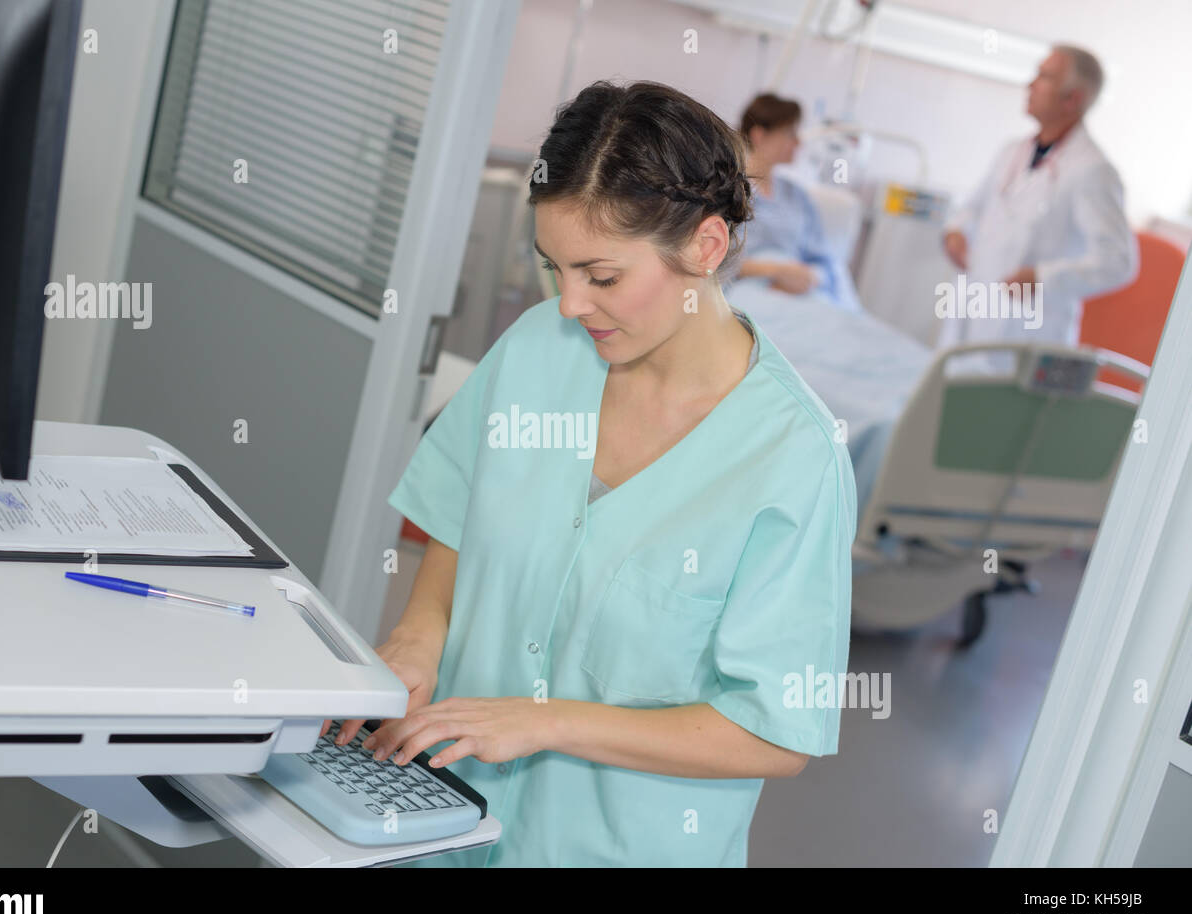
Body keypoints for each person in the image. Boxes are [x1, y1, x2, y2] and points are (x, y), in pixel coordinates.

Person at [337, 80, 855, 867]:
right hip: (441, 824)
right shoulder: (537, 350)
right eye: (553, 267)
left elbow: (772, 731)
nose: (571, 303)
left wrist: (544, 720)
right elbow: (456, 517)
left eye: (601, 275)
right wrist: (417, 641)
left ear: (706, 248)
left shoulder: (793, 460)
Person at [938, 44, 1136, 354]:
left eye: (1044, 77)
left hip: (1029, 335)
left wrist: (1042, 277)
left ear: (1073, 98)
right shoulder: (1011, 152)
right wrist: (955, 232)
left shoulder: (1093, 171)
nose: (1030, 85)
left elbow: (1118, 262)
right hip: (973, 320)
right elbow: (970, 209)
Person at [733, 92, 859, 310]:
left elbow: (824, 261)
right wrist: (775, 271)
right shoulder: (730, 190)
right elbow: (712, 260)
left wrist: (809, 278)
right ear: (759, 135)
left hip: (801, 293)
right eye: (789, 133)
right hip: (748, 293)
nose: (798, 141)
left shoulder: (797, 197)